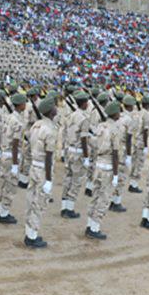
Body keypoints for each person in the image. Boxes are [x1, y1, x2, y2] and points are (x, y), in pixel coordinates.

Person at [24, 96, 62, 246]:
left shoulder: (36, 125)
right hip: (42, 170)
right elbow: (49, 156)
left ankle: (29, 233)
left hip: (34, 166)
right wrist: (48, 179)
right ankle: (32, 237)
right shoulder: (50, 130)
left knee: (31, 200)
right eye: (54, 106)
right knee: (39, 203)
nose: (56, 108)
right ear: (51, 111)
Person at [86, 101, 122, 240]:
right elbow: (115, 153)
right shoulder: (115, 130)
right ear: (114, 113)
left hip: (98, 165)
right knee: (104, 197)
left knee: (95, 196)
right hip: (107, 167)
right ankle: (95, 228)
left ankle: (90, 225)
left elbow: (94, 143)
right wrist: (116, 174)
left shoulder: (100, 126)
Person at [60, 91, 92, 219]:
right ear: (84, 104)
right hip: (78, 152)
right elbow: (84, 139)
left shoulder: (71, 116)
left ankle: (64, 207)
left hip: (69, 150)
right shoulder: (84, 119)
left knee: (68, 178)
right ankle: (70, 209)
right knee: (76, 180)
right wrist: (86, 157)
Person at [0, 92, 27, 224]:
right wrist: (15, 164)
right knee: (10, 186)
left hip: (5, 154)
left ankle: (2, 211)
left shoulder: (8, 117)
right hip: (11, 156)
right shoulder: (18, 121)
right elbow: (15, 143)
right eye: (24, 103)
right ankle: (4, 214)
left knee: (4, 184)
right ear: (20, 105)